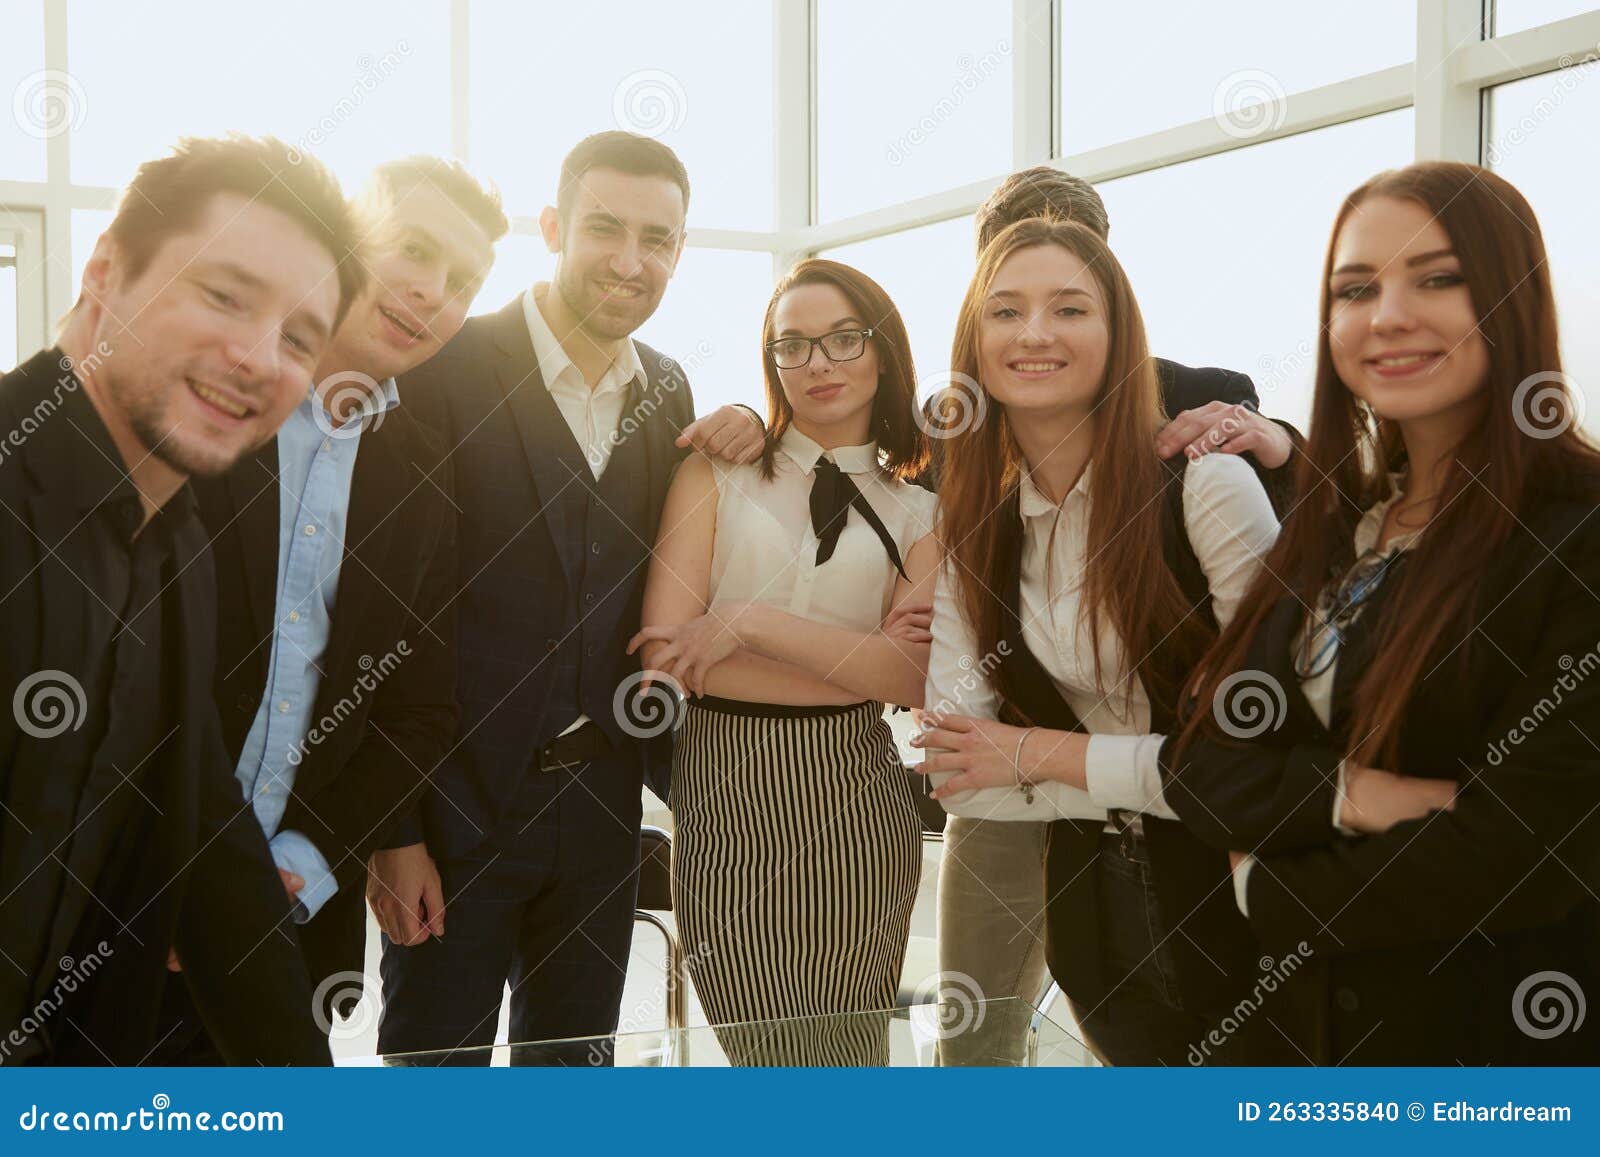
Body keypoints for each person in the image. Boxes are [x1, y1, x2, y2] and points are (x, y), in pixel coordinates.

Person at [1162, 162, 1600, 1064]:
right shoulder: (1331, 527)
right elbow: (1202, 758)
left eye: (1438, 278)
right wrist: (1352, 794)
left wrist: (1264, 894)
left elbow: (1525, 852)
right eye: (1355, 289)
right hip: (1315, 1043)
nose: (1387, 314)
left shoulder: (1577, 535)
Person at [373, 131, 766, 1063]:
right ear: (551, 228)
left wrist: (755, 421)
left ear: (680, 249)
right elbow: (386, 611)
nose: (631, 262)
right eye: (604, 228)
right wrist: (392, 833)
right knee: (437, 1087)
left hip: (601, 821)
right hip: (453, 821)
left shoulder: (669, 389)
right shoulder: (440, 365)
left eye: (658, 239)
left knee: (574, 1086)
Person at [928, 164, 1304, 1066]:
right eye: (1007, 304)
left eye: (1068, 301)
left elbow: (1270, 747)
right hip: (1083, 863)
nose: (1036, 332)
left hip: (1238, 876)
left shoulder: (1201, 452)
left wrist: (1030, 754)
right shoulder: (970, 479)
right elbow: (956, 761)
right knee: (981, 1043)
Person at [0, 135, 362, 1065]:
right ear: (105, 272)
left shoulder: (180, 541)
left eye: (298, 338)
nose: (255, 356)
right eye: (224, 295)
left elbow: (207, 844)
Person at [153, 157, 507, 1062]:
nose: (432, 293)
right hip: (126, 912)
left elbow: (414, 711)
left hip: (290, 929)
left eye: (462, 283)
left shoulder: (425, 471)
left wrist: (298, 869)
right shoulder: (205, 402)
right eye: (414, 251)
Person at [629, 259, 939, 1065]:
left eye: (843, 339)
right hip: (722, 786)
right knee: (763, 1057)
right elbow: (666, 654)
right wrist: (855, 657)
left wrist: (745, 623)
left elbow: (911, 678)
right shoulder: (715, 469)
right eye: (791, 346)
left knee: (847, 1055)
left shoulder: (925, 504)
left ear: (883, 349)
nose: (819, 363)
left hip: (857, 797)